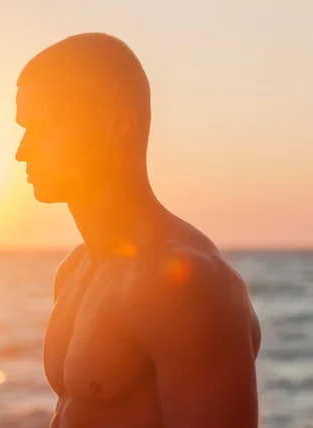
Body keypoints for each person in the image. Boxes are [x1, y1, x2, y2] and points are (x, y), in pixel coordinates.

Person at [14, 32, 261, 428]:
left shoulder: (188, 286)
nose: (22, 151)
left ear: (119, 126)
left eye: (42, 126)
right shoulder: (75, 271)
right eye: (23, 129)